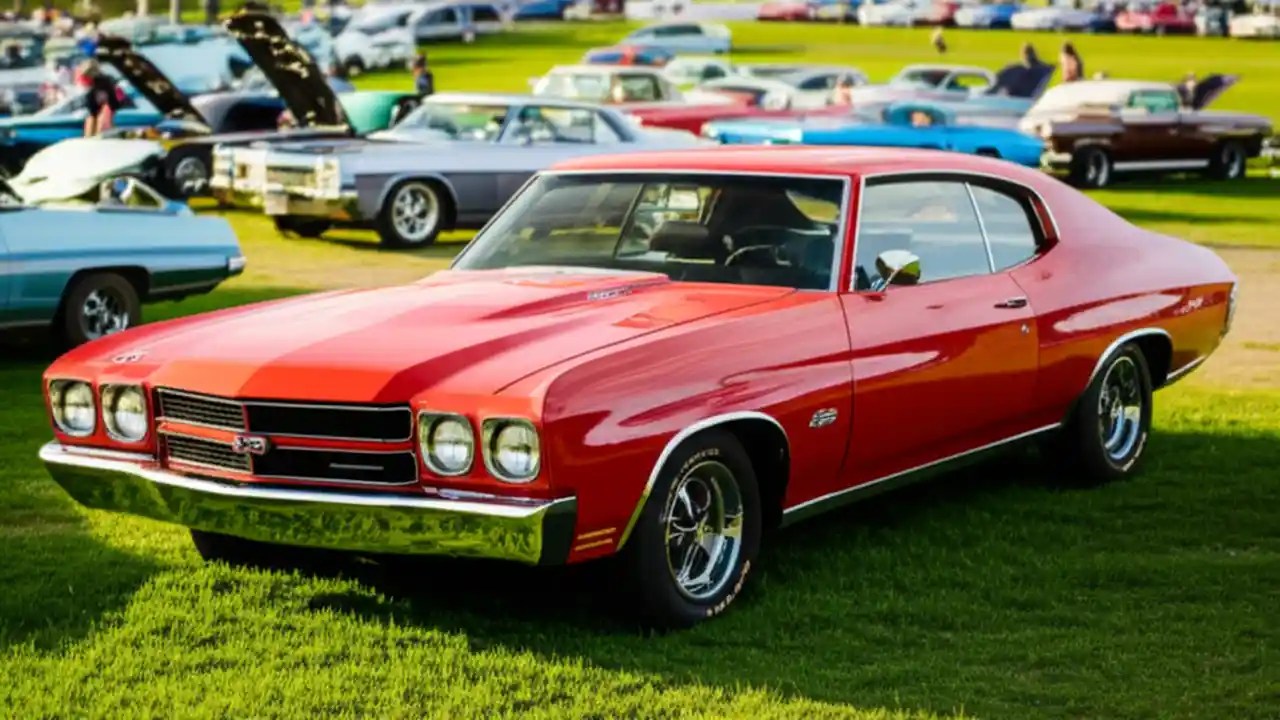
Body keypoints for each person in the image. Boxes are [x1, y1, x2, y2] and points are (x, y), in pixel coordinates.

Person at [79, 60, 119, 136]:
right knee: (94, 118)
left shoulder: (101, 82)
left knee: (94, 118)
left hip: (103, 105)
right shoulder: (105, 80)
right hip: (105, 105)